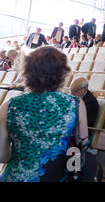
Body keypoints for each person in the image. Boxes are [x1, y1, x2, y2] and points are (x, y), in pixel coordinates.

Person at [0, 46, 89, 182]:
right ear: (62, 73)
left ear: (28, 72)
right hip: (57, 176)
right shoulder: (75, 104)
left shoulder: (9, 105)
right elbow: (80, 149)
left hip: (17, 176)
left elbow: (2, 156)